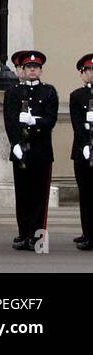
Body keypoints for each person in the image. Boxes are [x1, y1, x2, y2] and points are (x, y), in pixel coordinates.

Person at [3, 49, 60, 251]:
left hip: (41, 150)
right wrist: (15, 143)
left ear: (41, 70)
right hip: (21, 150)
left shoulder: (49, 91)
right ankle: (24, 234)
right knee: (23, 194)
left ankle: (37, 237)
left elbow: (50, 120)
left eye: (36, 67)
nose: (32, 70)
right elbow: (9, 120)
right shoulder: (13, 92)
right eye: (29, 67)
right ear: (23, 70)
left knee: (39, 196)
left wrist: (34, 121)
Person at [71, 52, 93, 251]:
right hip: (82, 151)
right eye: (89, 70)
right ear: (82, 73)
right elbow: (77, 124)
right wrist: (85, 145)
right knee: (85, 194)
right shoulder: (77, 96)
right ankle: (87, 232)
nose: (92, 73)